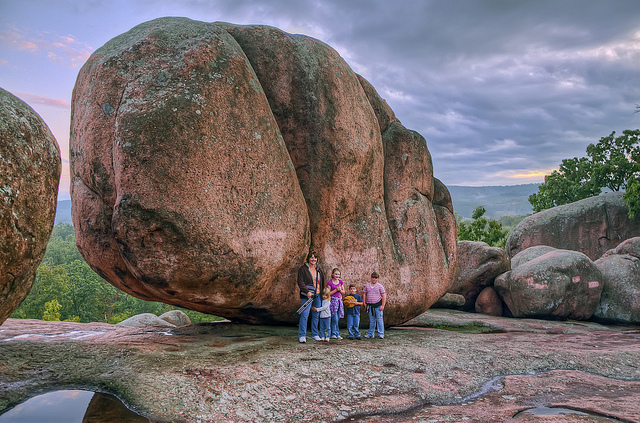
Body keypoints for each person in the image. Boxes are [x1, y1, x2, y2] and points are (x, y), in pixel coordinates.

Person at [297, 250, 325, 343]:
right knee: (305, 314)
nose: (313, 259)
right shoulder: (303, 269)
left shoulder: (318, 270)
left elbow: (322, 282)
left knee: (316, 314)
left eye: (315, 257)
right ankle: (302, 335)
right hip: (307, 295)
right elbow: (300, 282)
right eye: (311, 257)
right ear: (308, 258)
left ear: (317, 259)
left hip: (317, 295)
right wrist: (307, 292)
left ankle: (315, 334)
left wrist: (322, 294)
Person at [363, 271, 386, 339]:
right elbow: (364, 293)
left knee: (379, 320)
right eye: (373, 278)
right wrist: (364, 302)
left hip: (378, 305)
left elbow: (384, 295)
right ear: (371, 278)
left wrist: (383, 305)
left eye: (376, 278)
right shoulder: (367, 285)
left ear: (378, 278)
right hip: (370, 306)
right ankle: (370, 334)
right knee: (372, 320)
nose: (374, 279)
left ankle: (381, 334)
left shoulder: (380, 286)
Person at [327, 268, 345, 339]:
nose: (337, 275)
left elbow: (344, 292)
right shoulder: (330, 283)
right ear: (332, 274)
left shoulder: (340, 282)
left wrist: (340, 290)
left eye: (338, 274)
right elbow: (328, 293)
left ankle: (336, 333)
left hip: (339, 301)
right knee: (334, 318)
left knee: (337, 318)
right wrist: (335, 290)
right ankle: (333, 333)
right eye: (336, 274)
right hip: (333, 302)